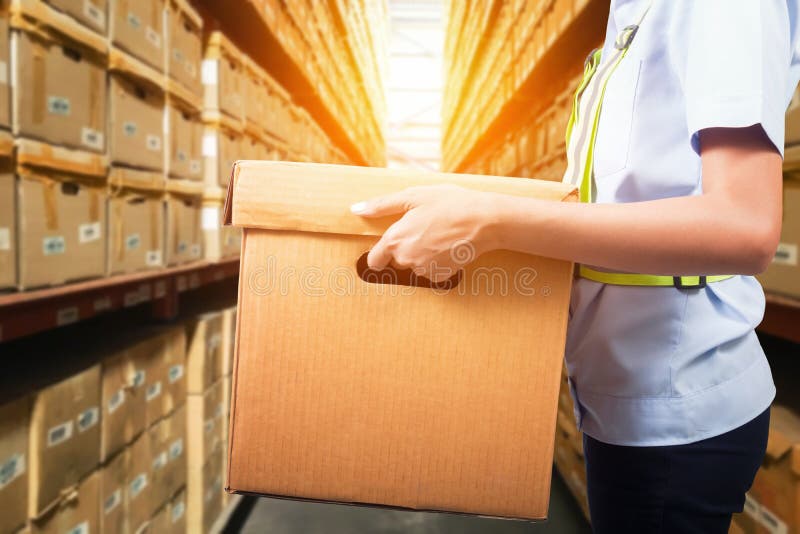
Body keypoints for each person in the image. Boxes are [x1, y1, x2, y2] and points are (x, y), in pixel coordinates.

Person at [350, 0, 800, 532]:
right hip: (618, 394)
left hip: (678, 408)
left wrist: (493, 220)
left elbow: (743, 227)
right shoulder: (631, 14)